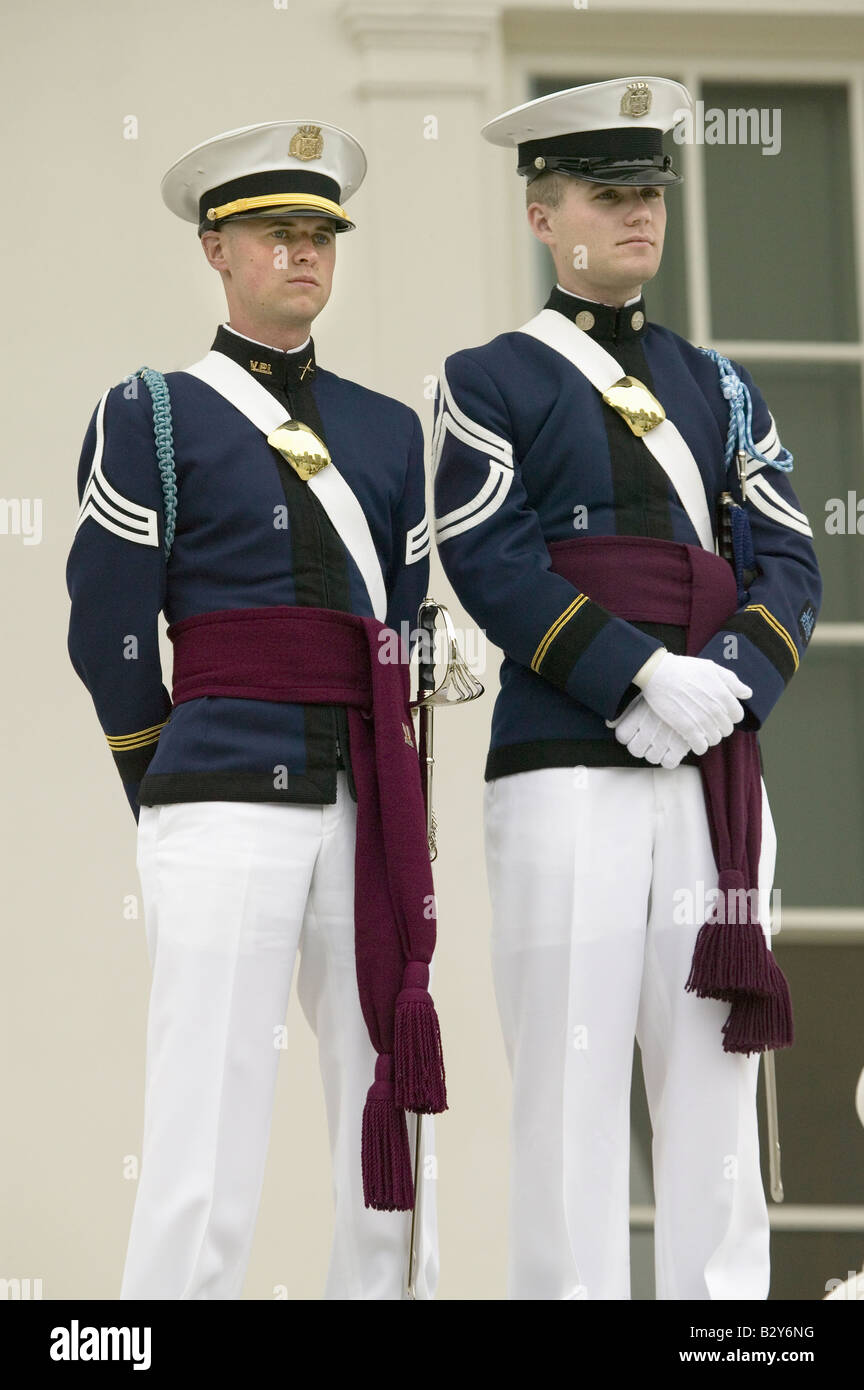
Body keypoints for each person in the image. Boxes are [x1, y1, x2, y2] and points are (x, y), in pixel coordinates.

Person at [432, 77, 822, 1300]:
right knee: (568, 1091)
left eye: (651, 193)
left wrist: (726, 684)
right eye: (611, 193)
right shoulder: (489, 376)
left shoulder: (722, 384)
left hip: (716, 764)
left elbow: (791, 555)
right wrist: (635, 671)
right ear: (545, 216)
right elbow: (485, 551)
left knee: (717, 1088)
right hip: (564, 766)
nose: (641, 215)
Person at [65, 119, 443, 1301]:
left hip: (368, 793)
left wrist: (407, 795)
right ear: (215, 250)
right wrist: (163, 782)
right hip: (220, 793)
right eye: (277, 233)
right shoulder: (153, 412)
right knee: (204, 1116)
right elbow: (108, 628)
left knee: (391, 1095)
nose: (304, 252)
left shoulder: (387, 429)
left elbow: (414, 630)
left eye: (321, 233)